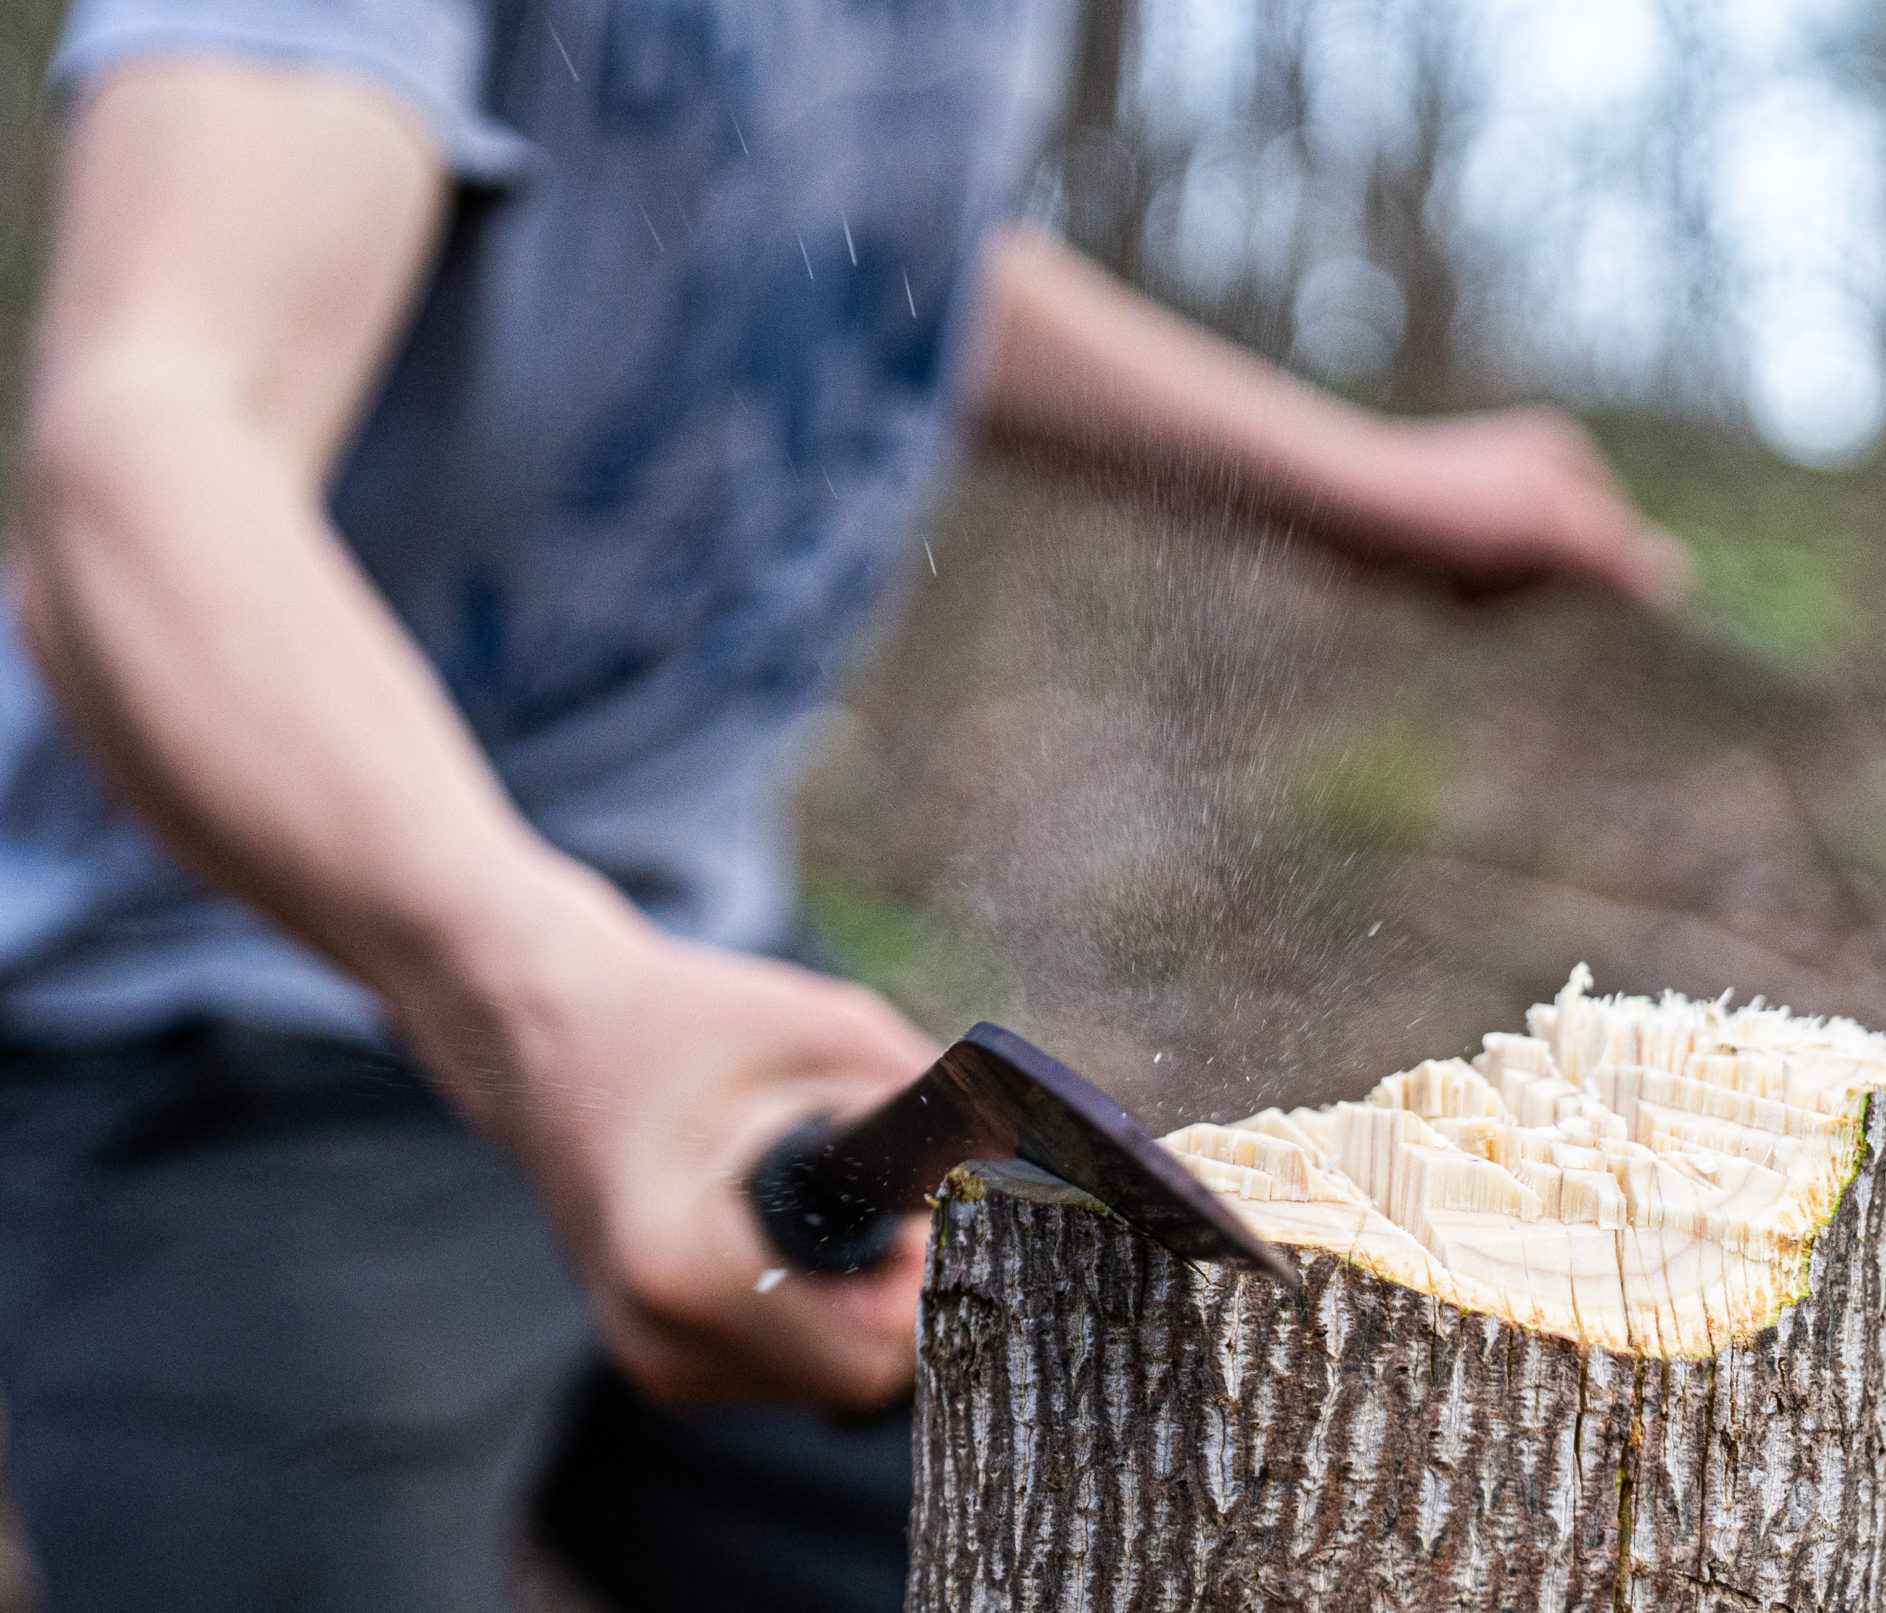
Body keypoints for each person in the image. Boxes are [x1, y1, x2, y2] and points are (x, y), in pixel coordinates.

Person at [0, 1, 1687, 1609]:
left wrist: (1354, 479)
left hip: (709, 979)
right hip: (224, 1022)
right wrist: (551, 990)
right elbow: (155, 427)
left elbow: (855, 232)